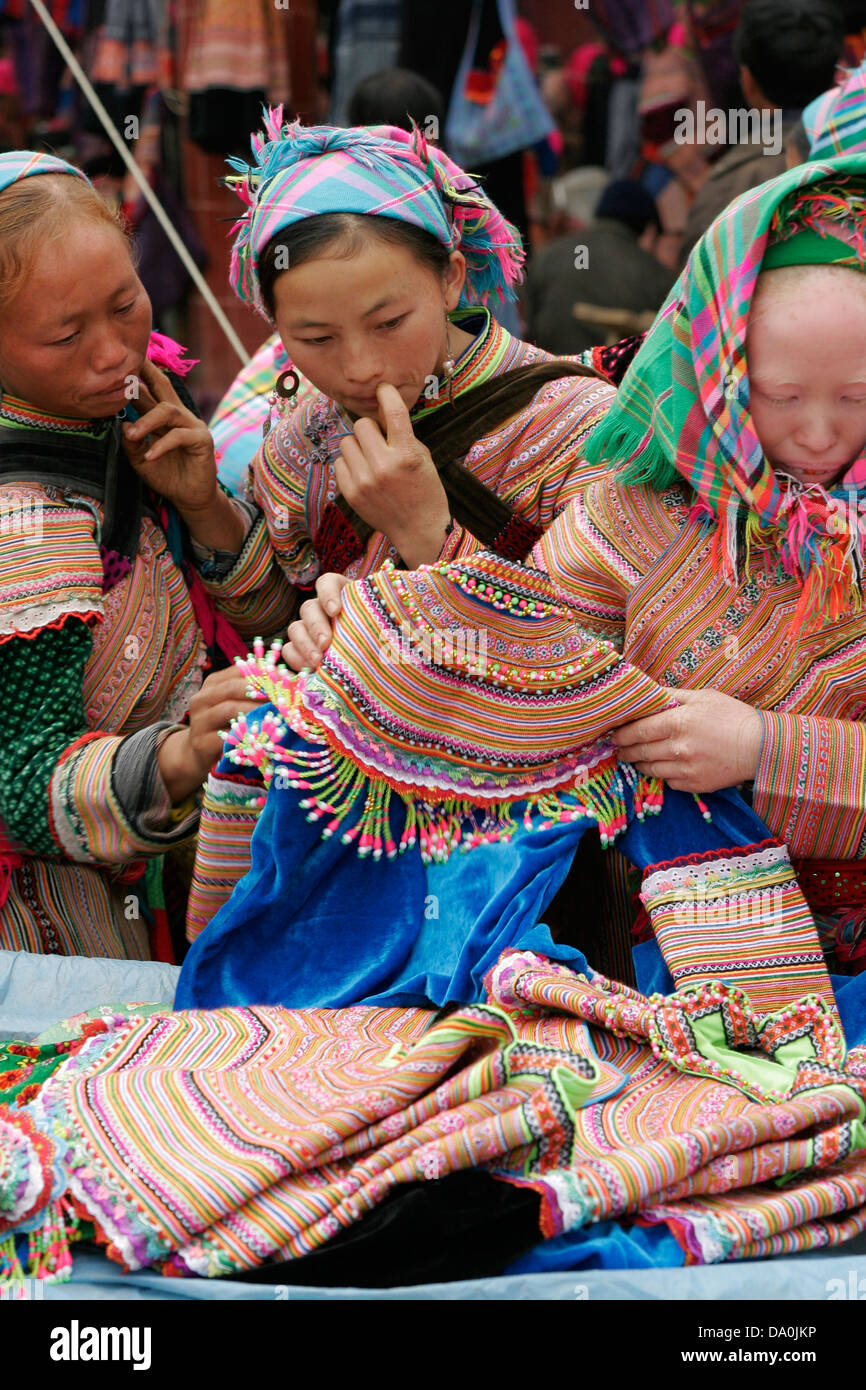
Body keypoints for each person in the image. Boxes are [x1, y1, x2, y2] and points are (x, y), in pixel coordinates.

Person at [261, 153, 866, 981]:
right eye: (780, 395)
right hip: (671, 965)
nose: (821, 435)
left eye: (857, 397)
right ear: (713, 375)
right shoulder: (634, 509)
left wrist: (767, 747)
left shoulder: (571, 427)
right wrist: (378, 631)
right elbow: (530, 662)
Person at [185, 110, 629, 936]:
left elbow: (609, 670)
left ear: (454, 277)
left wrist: (431, 538)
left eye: (390, 323)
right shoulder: (297, 442)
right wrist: (209, 511)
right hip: (352, 857)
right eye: (312, 337)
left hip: (531, 866)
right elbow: (282, 612)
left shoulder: (581, 428)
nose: (358, 366)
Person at [0, 151, 295, 959]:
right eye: (66, 336)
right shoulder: (24, 526)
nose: (113, 353)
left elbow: (269, 621)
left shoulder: (140, 417)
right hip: (61, 938)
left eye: (125, 304)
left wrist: (203, 504)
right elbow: (22, 778)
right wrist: (179, 755)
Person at [678, 0, 844, 266]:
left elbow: (694, 294)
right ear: (836, 71)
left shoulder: (727, 191)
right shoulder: (853, 154)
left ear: (748, 80)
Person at [523, 178, 675, 357]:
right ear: (649, 230)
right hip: (613, 380)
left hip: (551, 374)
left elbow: (529, 327)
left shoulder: (547, 256)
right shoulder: (654, 274)